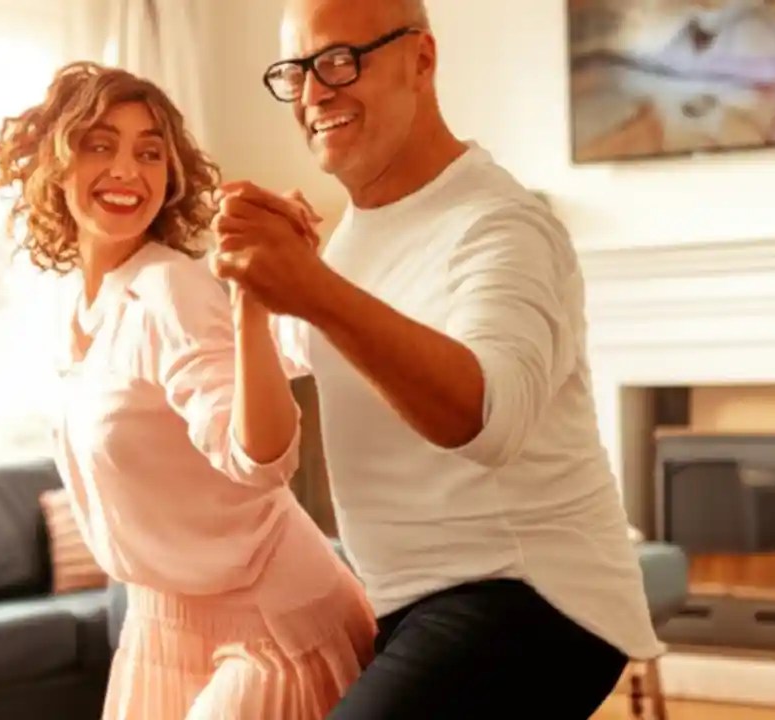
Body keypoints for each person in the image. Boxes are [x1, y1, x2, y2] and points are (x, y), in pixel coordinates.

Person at [210, 0, 665, 717]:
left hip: (533, 594)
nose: (313, 92)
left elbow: (486, 418)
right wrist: (256, 291)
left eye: (338, 60)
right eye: (294, 71)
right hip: (411, 600)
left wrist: (314, 287)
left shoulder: (502, 223)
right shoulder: (354, 238)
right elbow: (284, 403)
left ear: (421, 60)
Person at [0, 61, 375, 720]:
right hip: (159, 628)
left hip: (267, 629)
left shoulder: (169, 289)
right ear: (58, 163)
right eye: (102, 144)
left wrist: (253, 303)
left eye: (149, 152)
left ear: (170, 175)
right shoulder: (69, 305)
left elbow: (261, 461)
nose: (128, 169)